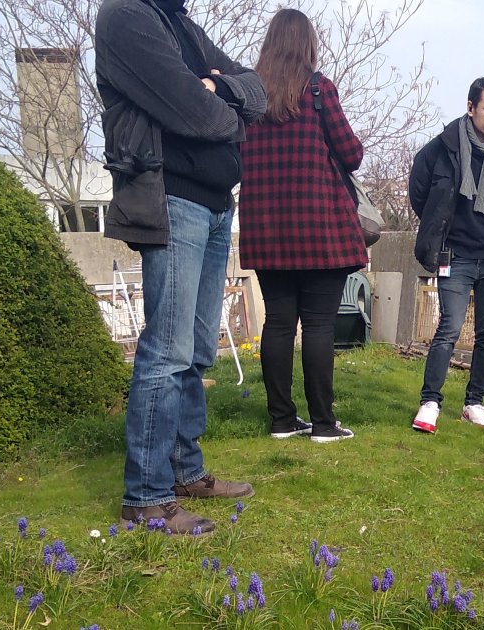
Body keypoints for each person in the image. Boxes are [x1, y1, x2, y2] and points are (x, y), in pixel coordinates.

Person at [96, 0, 267, 534]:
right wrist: (215, 96)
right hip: (173, 200)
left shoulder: (181, 25)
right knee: (166, 352)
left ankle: (184, 472)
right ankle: (145, 498)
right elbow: (202, 114)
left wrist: (226, 88)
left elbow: (256, 91)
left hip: (217, 204)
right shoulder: (126, 16)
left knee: (194, 349)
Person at [238, 8, 366, 444]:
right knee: (318, 326)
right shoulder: (318, 90)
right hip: (317, 230)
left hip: (265, 229)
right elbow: (351, 155)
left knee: (277, 323)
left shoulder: (250, 95)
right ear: (307, 44)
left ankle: (281, 421)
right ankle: (324, 424)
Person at [409, 77, 484, 434]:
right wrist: (439, 227)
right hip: (455, 255)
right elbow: (420, 193)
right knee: (449, 327)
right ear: (470, 108)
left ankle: (474, 402)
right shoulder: (441, 148)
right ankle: (430, 402)